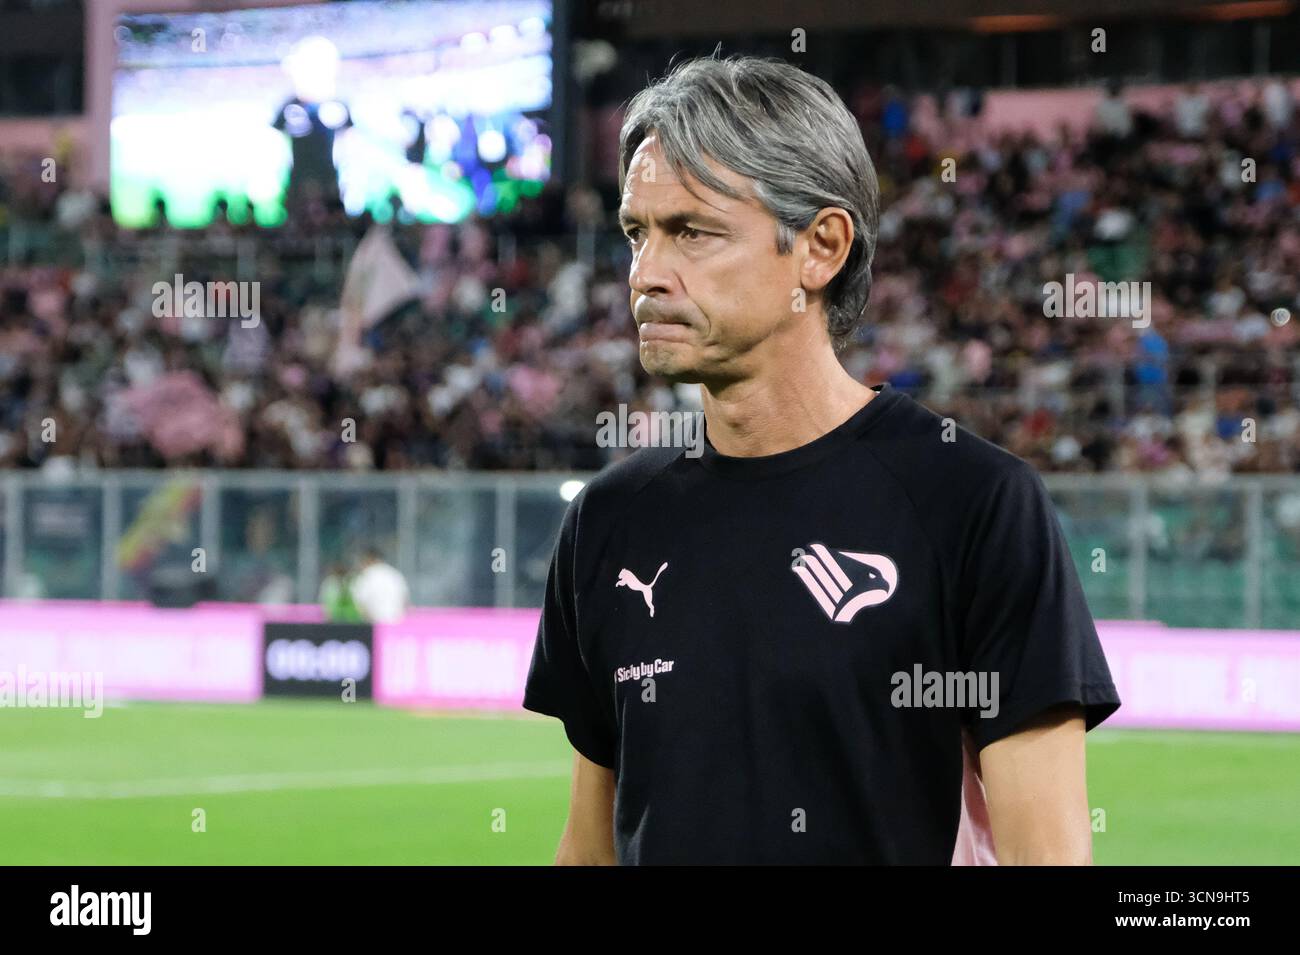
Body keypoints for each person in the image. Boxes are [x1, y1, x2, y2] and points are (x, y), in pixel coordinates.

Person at [521, 54, 1121, 865]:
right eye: (638, 233)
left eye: (692, 232)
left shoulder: (973, 505)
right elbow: (589, 848)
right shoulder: (608, 521)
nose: (646, 274)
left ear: (821, 247)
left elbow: (1045, 857)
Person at [349, 547, 409, 623]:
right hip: (396, 625)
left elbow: (360, 605)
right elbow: (405, 600)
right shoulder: (395, 574)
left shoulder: (365, 576)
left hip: (374, 626)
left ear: (367, 559)